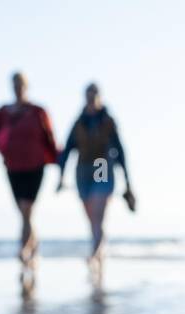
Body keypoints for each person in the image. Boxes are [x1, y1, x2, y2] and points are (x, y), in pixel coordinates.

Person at [0, 72, 58, 285]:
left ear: (27, 87)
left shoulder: (38, 111)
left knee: (27, 208)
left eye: (21, 85)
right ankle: (33, 246)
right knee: (23, 210)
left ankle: (24, 249)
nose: (18, 88)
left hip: (35, 165)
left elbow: (50, 136)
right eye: (15, 85)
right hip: (13, 166)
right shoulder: (2, 113)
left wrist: (57, 161)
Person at [57, 82, 134, 279]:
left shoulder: (107, 120)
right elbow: (67, 150)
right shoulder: (79, 121)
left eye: (94, 95)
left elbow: (120, 150)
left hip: (101, 164)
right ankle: (98, 249)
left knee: (98, 212)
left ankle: (95, 252)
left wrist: (127, 181)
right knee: (91, 217)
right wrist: (60, 177)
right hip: (82, 168)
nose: (91, 98)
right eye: (88, 95)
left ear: (99, 97)